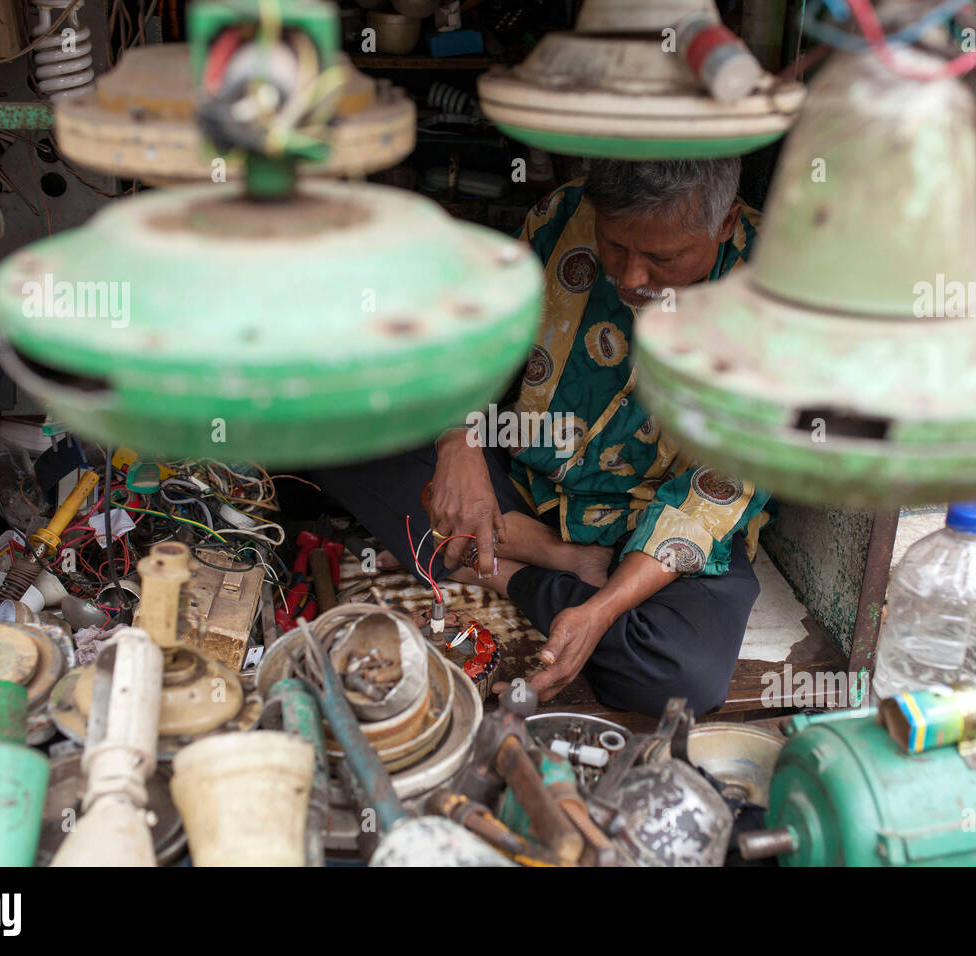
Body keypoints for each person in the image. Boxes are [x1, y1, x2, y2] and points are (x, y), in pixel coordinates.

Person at [311, 158, 770, 716]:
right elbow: (480, 336)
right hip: (522, 481)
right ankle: (542, 553)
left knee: (682, 675)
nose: (630, 277)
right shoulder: (564, 214)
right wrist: (459, 442)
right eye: (614, 246)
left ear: (723, 224)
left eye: (661, 258)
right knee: (329, 425)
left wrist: (599, 613)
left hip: (649, 533)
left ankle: (490, 563)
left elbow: (710, 500)